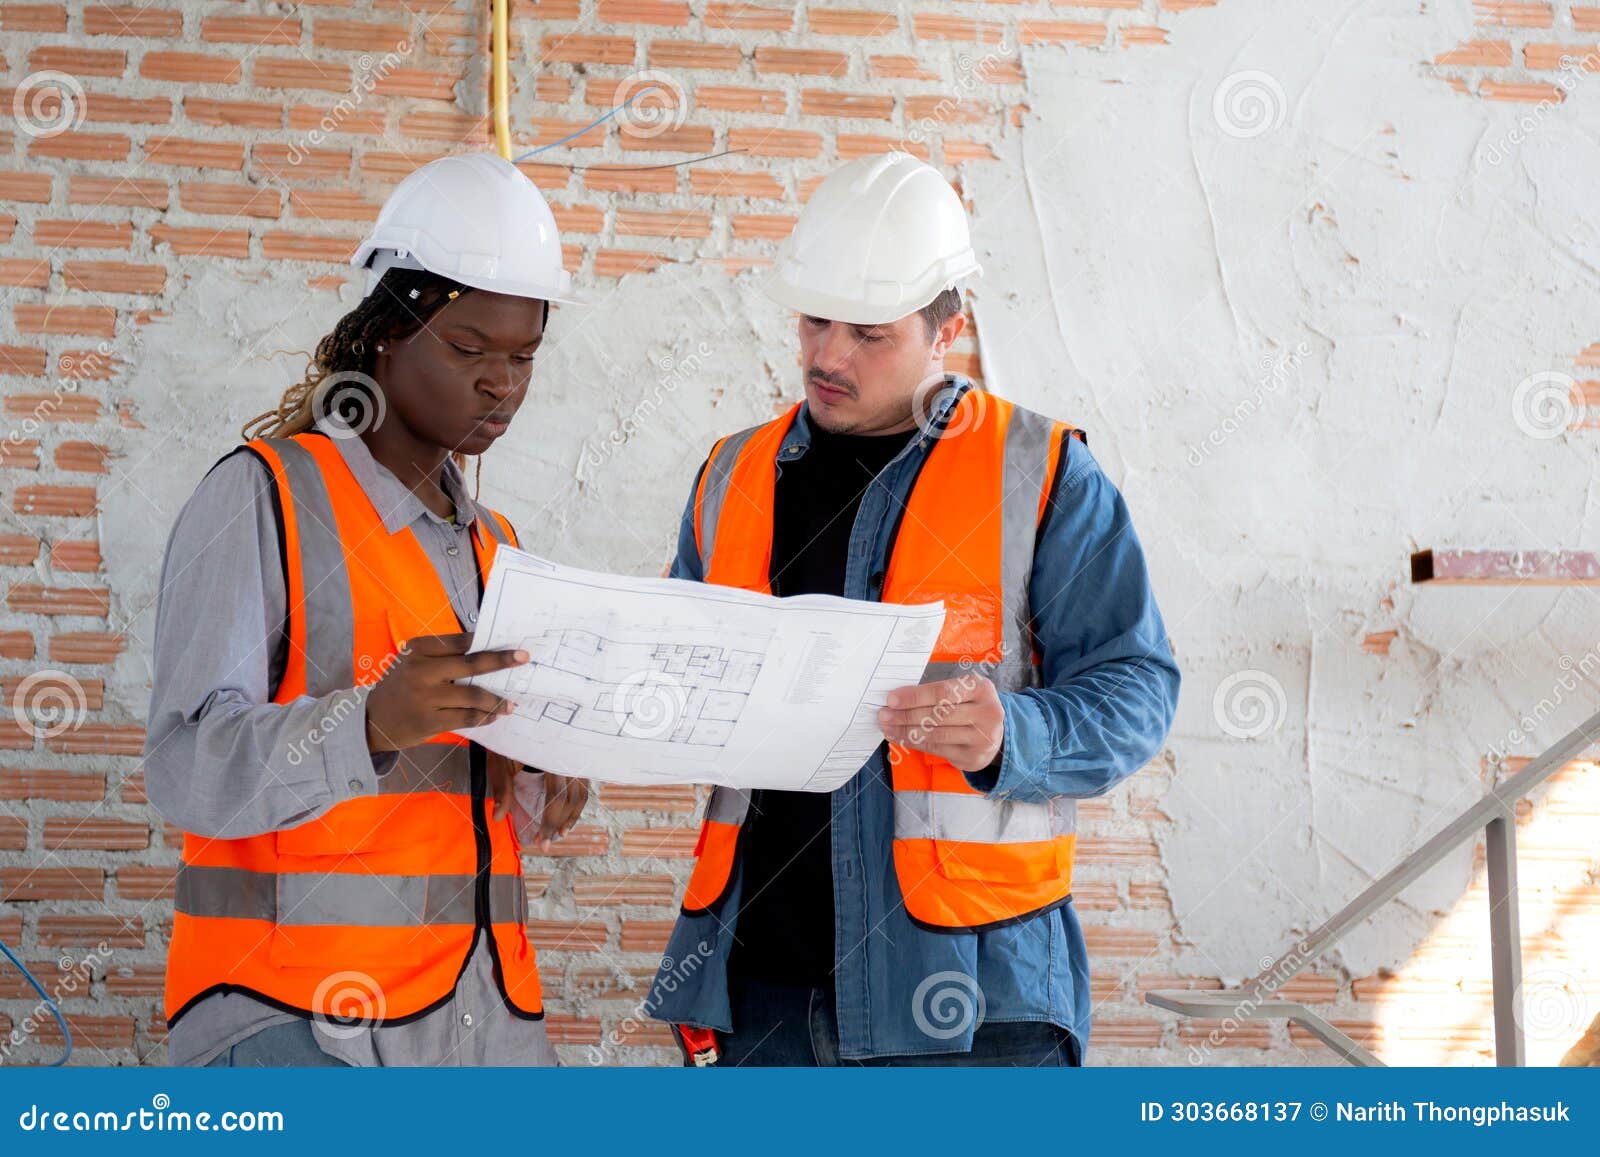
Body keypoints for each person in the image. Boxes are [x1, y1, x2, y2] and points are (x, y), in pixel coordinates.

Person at [647, 152, 1180, 1066]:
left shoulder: (1041, 474)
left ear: (948, 327)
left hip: (973, 1002)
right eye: (814, 320)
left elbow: (1139, 688)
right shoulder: (731, 475)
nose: (826, 355)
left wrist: (1014, 733)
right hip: (762, 994)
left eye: (868, 333)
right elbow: (674, 669)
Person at [143, 152, 588, 1067]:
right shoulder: (263, 497)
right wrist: (371, 722)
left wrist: (548, 774)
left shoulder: (496, 546)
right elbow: (182, 767)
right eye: (469, 351)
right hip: (296, 1019)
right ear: (388, 333)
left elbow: (473, 815)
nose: (502, 383)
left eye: (524, 356)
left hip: (485, 1023)